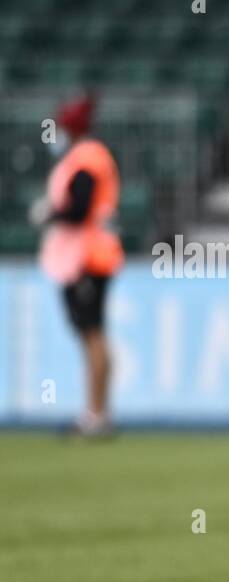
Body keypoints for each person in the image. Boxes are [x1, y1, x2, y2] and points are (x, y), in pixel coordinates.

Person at [32, 94, 124, 438]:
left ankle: (96, 414)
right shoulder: (90, 156)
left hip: (87, 257)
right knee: (92, 335)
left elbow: (79, 209)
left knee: (92, 334)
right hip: (94, 255)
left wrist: (49, 213)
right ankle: (97, 412)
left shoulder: (86, 159)